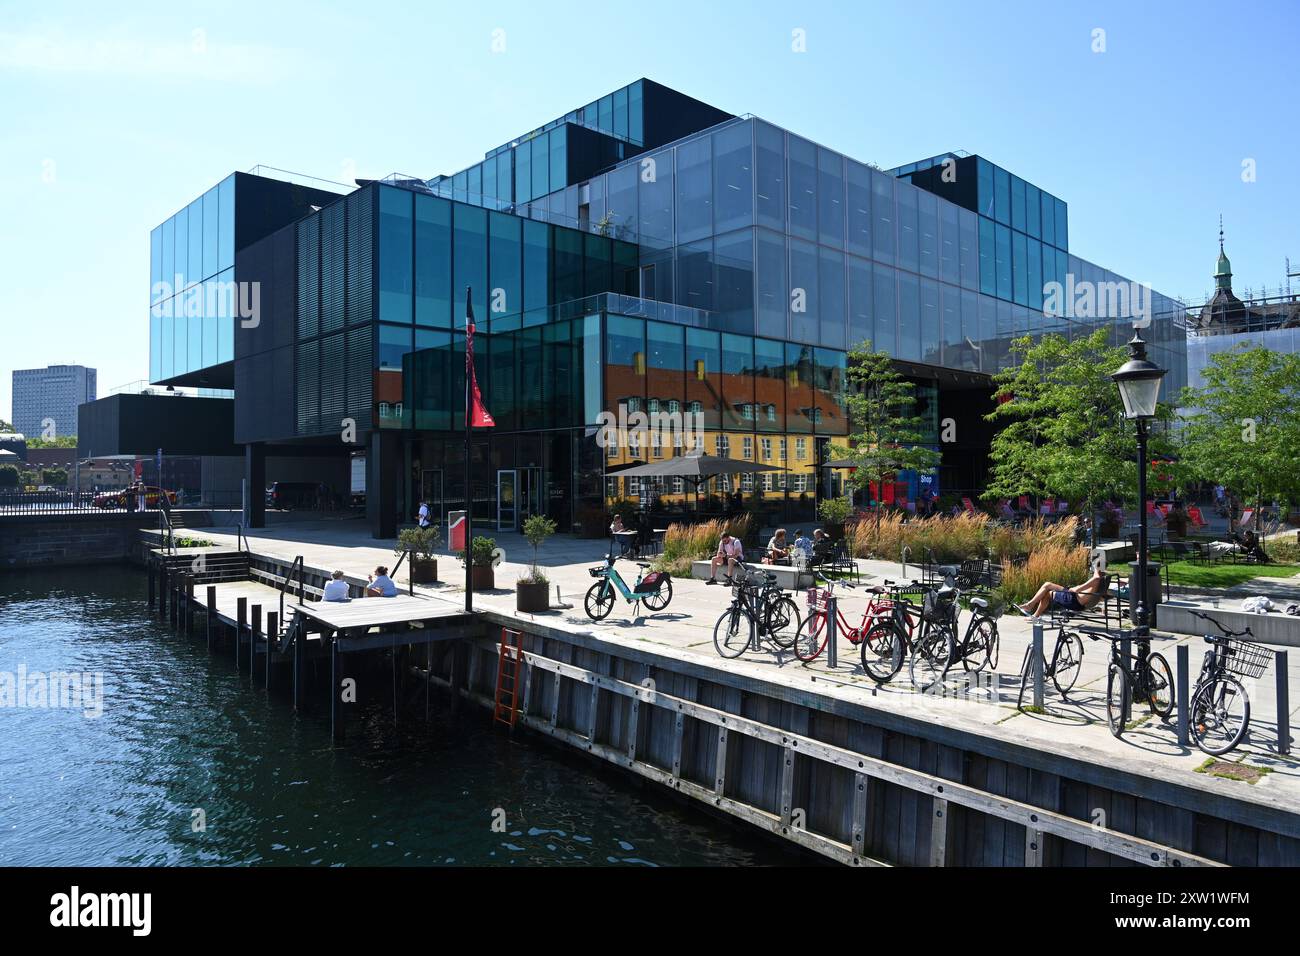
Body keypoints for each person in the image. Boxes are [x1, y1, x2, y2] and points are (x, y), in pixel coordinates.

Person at [1017, 569, 1111, 619]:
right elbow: (1102, 595)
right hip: (1075, 598)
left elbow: (1080, 588)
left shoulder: (1096, 579)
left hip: (1074, 601)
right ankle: (1032, 609)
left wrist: (1077, 588)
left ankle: (1032, 608)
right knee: (1047, 585)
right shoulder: (1103, 580)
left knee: (1048, 591)